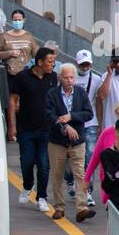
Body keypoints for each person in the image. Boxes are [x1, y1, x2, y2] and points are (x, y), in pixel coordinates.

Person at [8, 46, 58, 212]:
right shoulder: (22, 77)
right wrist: (12, 126)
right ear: (39, 62)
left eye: (53, 61)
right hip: (26, 128)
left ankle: (42, 197)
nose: (52, 64)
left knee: (44, 164)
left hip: (46, 128)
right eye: (50, 62)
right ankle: (28, 185)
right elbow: (12, 100)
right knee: (27, 161)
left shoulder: (53, 78)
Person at [44, 63, 96, 222]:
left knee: (80, 174)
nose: (69, 80)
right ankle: (59, 206)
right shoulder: (52, 94)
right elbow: (49, 115)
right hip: (57, 141)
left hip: (77, 141)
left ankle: (82, 208)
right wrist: (65, 126)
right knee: (57, 174)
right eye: (66, 77)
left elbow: (88, 113)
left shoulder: (80, 92)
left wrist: (71, 116)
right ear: (60, 78)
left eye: (71, 77)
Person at [70, 50, 101, 207]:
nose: (85, 66)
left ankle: (87, 191)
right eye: (82, 64)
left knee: (89, 156)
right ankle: (71, 181)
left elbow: (102, 98)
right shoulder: (71, 78)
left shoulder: (96, 79)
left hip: (90, 123)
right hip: (73, 123)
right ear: (77, 63)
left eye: (88, 64)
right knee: (72, 158)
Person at [0, 9, 38, 77]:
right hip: (10, 74)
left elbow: (36, 54)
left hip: (26, 74)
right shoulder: (5, 36)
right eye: (15, 20)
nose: (17, 22)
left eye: (19, 20)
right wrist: (9, 53)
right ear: (12, 20)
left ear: (24, 20)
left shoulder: (29, 36)